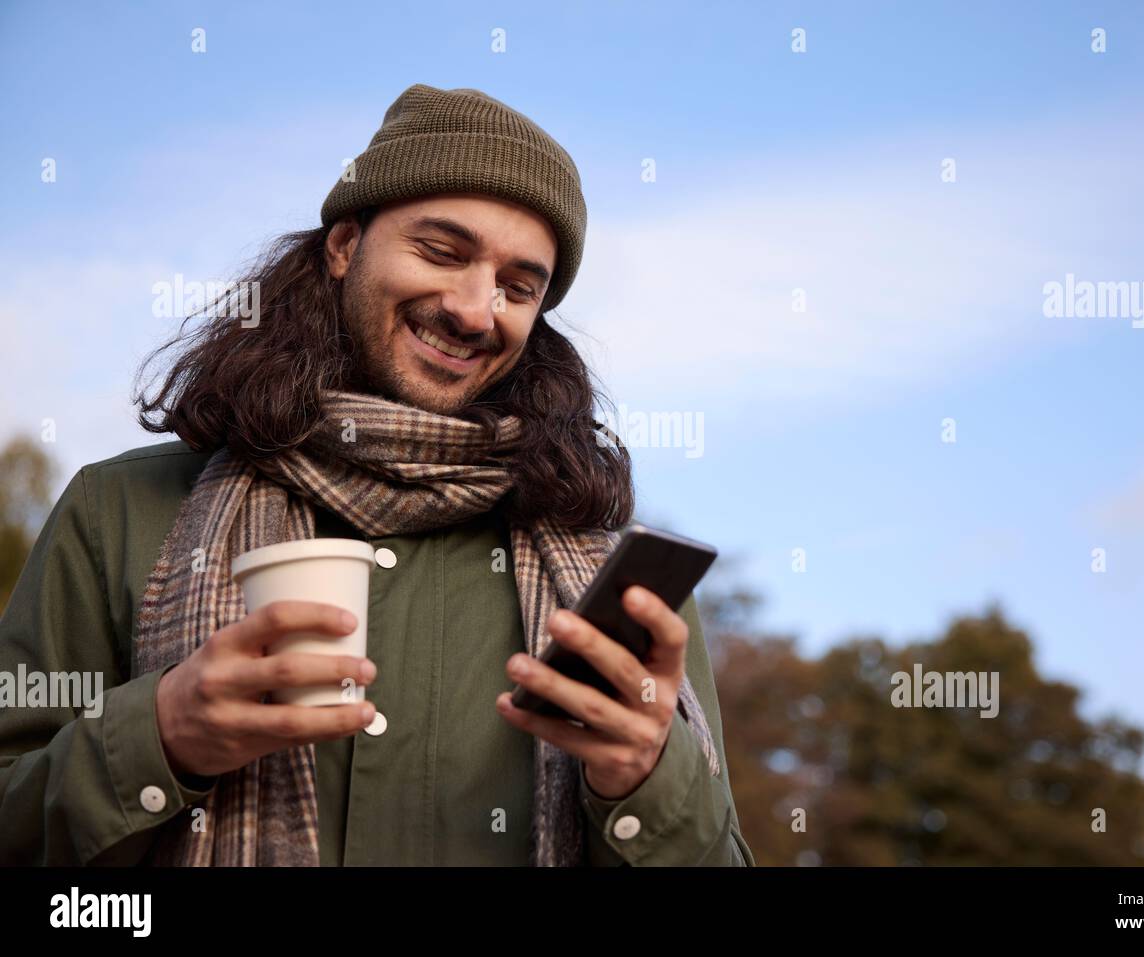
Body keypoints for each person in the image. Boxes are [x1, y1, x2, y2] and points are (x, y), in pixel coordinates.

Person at [0, 84, 754, 866]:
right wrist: (157, 737)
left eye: (518, 286)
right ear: (344, 244)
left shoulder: (617, 593)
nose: (474, 308)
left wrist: (645, 780)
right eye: (441, 251)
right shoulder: (119, 511)